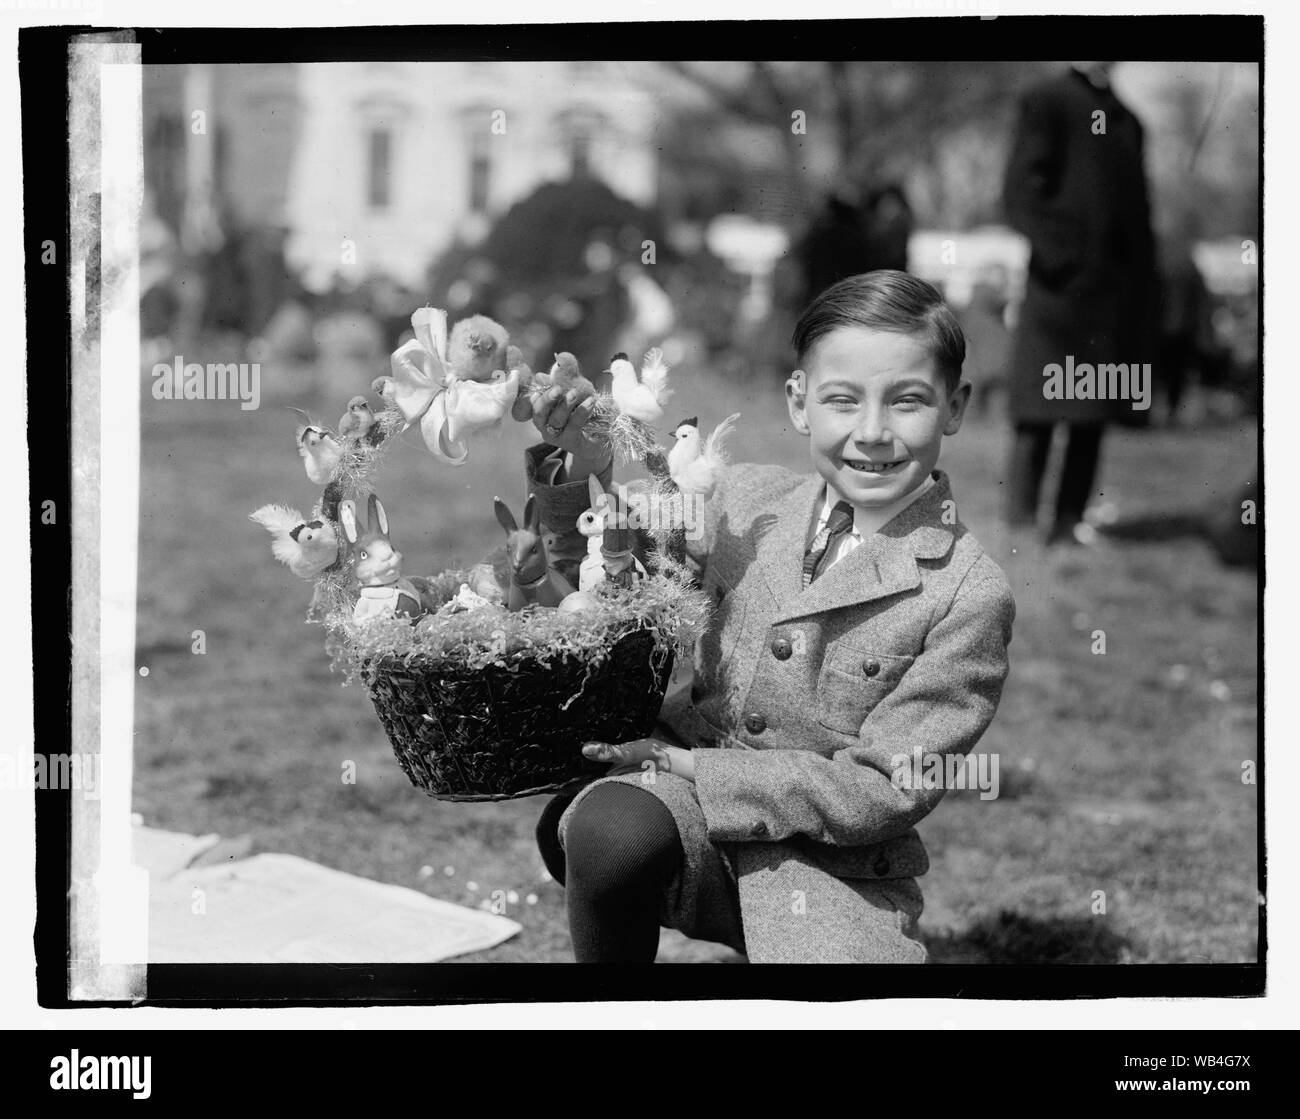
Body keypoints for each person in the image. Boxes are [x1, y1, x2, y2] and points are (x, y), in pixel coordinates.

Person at [525, 271, 1016, 962]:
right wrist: (580, 460)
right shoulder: (740, 498)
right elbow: (610, 559)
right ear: (799, 402)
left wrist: (690, 765)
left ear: (955, 406)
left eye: (908, 401)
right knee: (611, 829)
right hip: (679, 818)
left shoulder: (968, 592)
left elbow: (882, 787)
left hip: (829, 871)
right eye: (842, 400)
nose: (872, 433)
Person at [1002, 61, 1159, 544]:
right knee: (1041, 406)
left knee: (1092, 410)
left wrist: (1140, 283)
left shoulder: (1128, 119)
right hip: (1060, 289)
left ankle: (1070, 519)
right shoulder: (1048, 98)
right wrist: (1064, 256)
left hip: (1113, 297)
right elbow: (1020, 191)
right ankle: (1022, 522)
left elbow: (1138, 211)